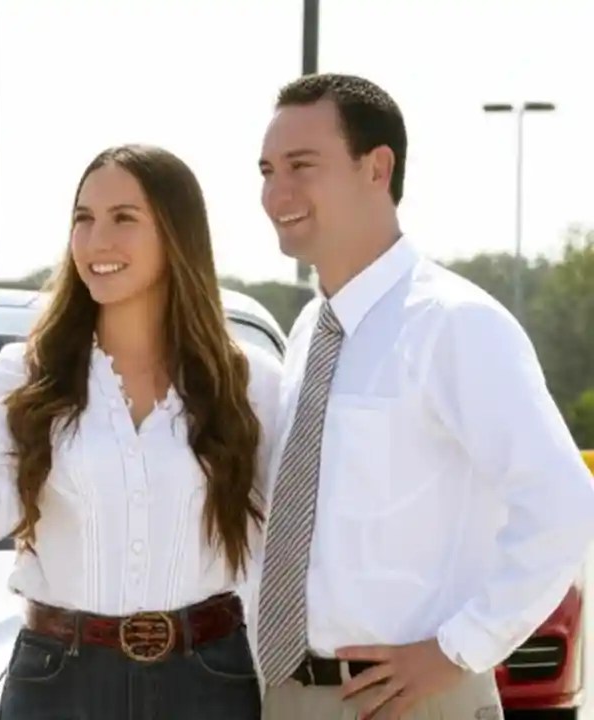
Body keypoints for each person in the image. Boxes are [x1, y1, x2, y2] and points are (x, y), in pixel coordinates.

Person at [0, 143, 283, 718]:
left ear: (177, 234)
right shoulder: (23, 372)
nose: (97, 241)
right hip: (59, 679)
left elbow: (288, 549)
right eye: (83, 219)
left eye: (124, 218)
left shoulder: (249, 381)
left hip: (208, 679)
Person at [252, 72, 594, 719]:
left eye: (302, 165)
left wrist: (458, 651)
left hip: (407, 701)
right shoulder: (308, 332)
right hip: (290, 699)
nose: (276, 193)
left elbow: (563, 503)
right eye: (267, 170)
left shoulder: (456, 324)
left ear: (376, 168)